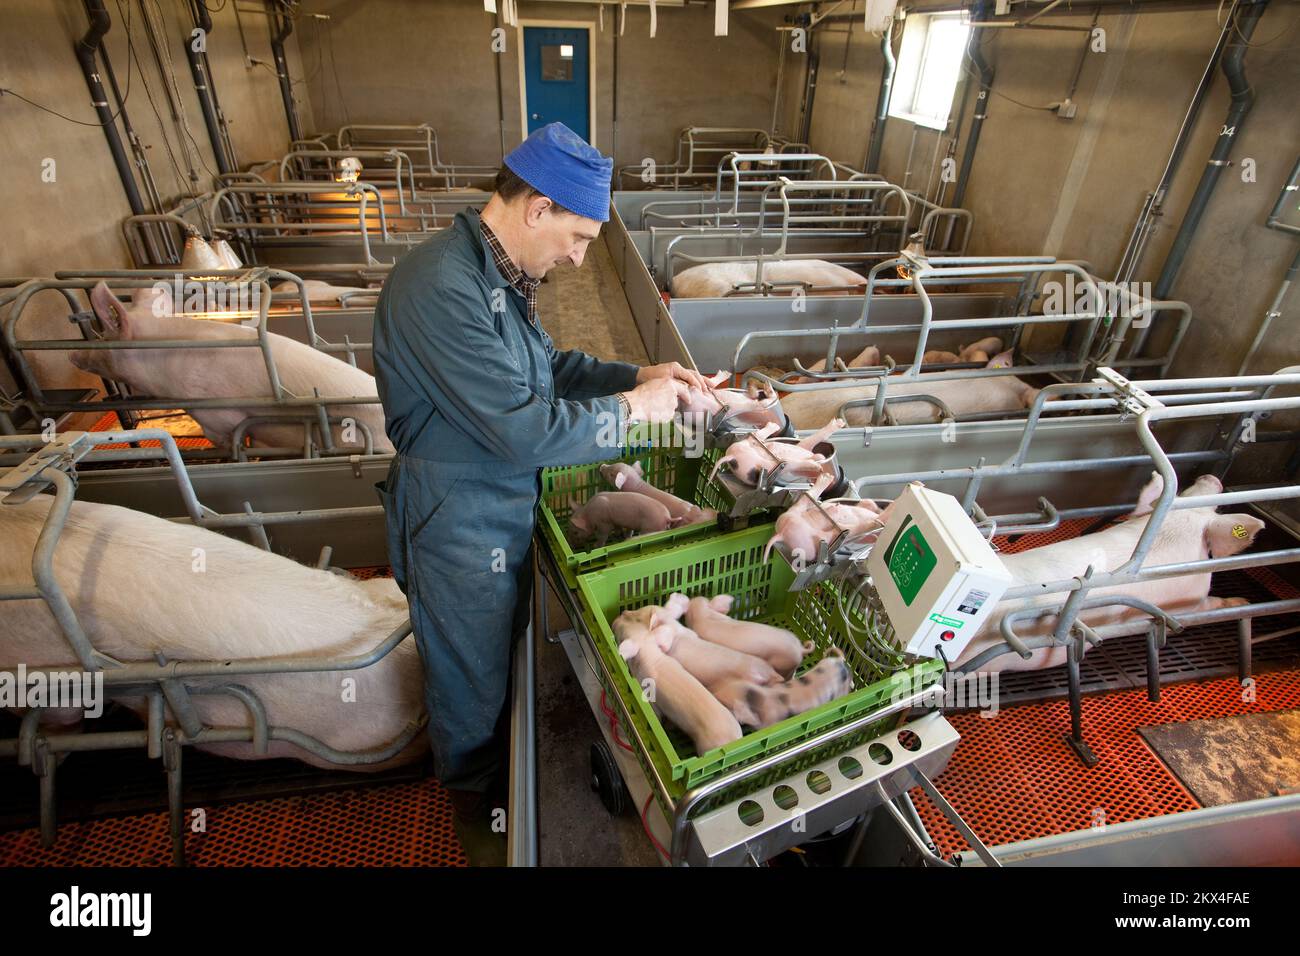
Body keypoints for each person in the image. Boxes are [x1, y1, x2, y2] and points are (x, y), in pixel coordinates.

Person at [372, 122, 706, 864]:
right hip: (457, 515)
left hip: (498, 497)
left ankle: (499, 786)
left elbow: (548, 371)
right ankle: (481, 822)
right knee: (470, 681)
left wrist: (636, 377)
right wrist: (629, 416)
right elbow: (522, 430)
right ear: (536, 208)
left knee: (497, 655)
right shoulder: (440, 286)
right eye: (579, 235)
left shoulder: (494, 276)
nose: (580, 256)